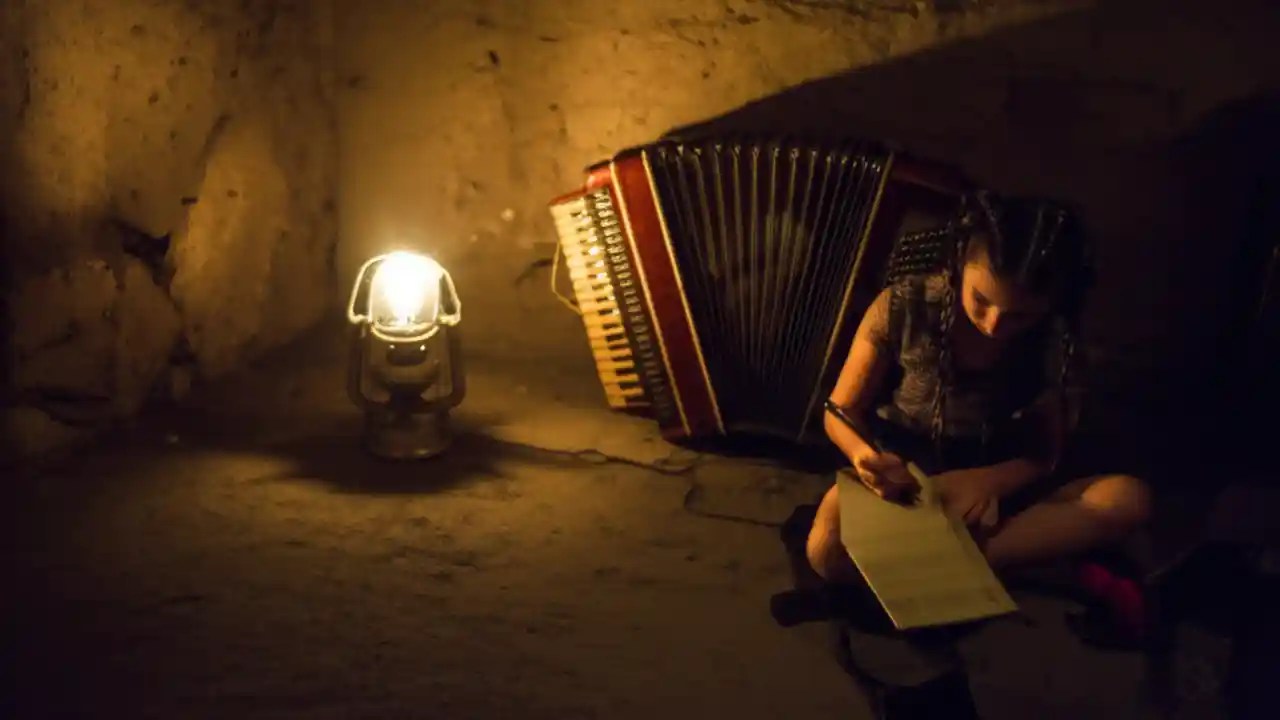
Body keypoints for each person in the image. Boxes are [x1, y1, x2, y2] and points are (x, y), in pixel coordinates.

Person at [798, 191, 1152, 717]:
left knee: (1127, 499)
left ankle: (957, 567)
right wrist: (866, 456)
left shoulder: (1055, 339)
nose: (993, 325)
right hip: (907, 474)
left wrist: (989, 481)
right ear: (960, 264)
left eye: (1019, 316)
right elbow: (840, 409)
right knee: (825, 549)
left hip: (999, 473)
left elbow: (1045, 455)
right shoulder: (904, 306)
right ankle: (972, 569)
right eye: (981, 300)